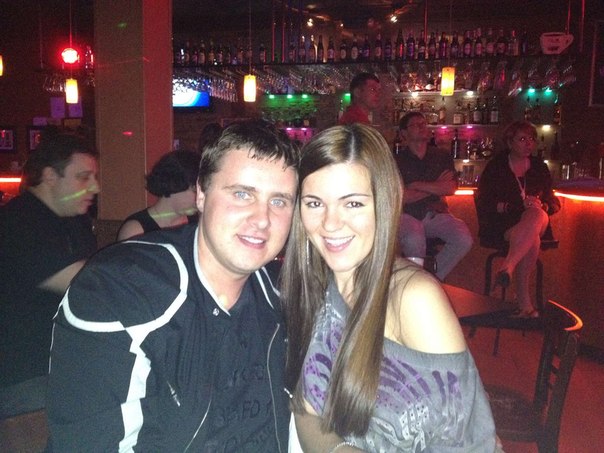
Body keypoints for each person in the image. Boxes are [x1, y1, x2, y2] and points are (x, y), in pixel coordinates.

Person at [47, 120, 299, 451]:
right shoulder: (119, 289)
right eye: (242, 194)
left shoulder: (287, 296)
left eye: (279, 201)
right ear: (201, 194)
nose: (263, 219)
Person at [281, 124, 498, 452]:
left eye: (353, 204)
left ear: (384, 203)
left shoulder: (414, 299)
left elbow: (471, 445)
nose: (330, 223)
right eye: (314, 203)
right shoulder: (316, 283)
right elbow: (307, 407)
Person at [0, 133, 99, 418]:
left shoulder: (74, 219)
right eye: (83, 177)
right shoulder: (19, 221)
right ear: (50, 176)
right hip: (26, 375)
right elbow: (84, 283)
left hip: (64, 367)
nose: (95, 186)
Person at [476, 120, 560, 318]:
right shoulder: (497, 167)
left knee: (536, 214)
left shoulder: (539, 167)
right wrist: (514, 206)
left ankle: (508, 267)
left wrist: (542, 205)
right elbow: (485, 202)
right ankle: (524, 304)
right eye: (522, 139)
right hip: (506, 224)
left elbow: (553, 202)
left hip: (538, 219)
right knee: (532, 239)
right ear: (510, 142)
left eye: (531, 139)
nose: (528, 143)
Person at [396, 111, 473, 281]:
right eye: (415, 125)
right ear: (403, 133)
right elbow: (402, 198)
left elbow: (450, 188)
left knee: (463, 237)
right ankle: (414, 285)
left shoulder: (441, 156)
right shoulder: (396, 160)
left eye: (423, 124)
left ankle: (431, 279)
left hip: (434, 213)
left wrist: (417, 185)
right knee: (415, 237)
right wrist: (436, 186)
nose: (421, 127)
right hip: (405, 215)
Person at [116, 150, 201, 241]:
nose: (200, 197)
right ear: (174, 183)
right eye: (195, 190)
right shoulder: (135, 230)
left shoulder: (197, 222)